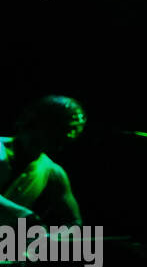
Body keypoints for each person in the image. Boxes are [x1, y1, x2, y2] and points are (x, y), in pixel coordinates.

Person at [0, 95, 85, 228]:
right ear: (36, 123)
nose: (69, 136)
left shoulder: (53, 172)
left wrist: (52, 239)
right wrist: (24, 216)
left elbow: (74, 223)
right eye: (61, 128)